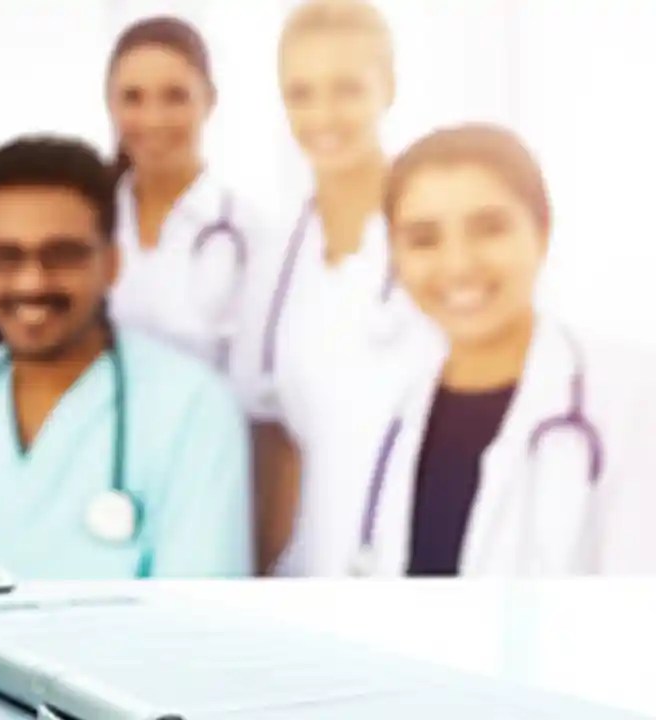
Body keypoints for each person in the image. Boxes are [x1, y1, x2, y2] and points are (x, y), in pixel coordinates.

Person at [0, 136, 253, 579]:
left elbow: (197, 620)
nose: (30, 282)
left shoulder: (191, 409)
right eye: (5, 257)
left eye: (62, 255)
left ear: (112, 264)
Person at [340, 123, 656, 576]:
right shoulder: (391, 410)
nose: (459, 265)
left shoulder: (633, 400)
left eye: (489, 229)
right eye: (424, 239)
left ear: (542, 232)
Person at [231, 0, 438, 575]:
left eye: (347, 88)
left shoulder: (438, 234)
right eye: (301, 93)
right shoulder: (275, 258)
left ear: (388, 87)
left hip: (427, 551)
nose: (324, 115)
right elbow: (271, 432)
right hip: (311, 565)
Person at [104, 16, 266, 376]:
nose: (153, 119)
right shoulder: (89, 221)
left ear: (209, 101)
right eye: (133, 98)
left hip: (209, 429)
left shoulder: (249, 232)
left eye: (175, 97)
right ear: (111, 106)